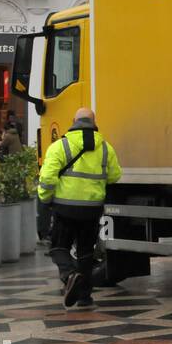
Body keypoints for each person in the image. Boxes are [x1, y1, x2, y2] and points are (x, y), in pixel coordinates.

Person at [38, 108, 122, 309]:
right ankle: (85, 298)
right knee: (85, 252)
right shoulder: (105, 148)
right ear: (94, 122)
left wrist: (45, 198)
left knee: (58, 247)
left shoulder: (59, 146)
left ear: (73, 121)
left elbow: (48, 178)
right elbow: (114, 176)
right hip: (92, 209)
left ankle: (69, 275)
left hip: (65, 208)